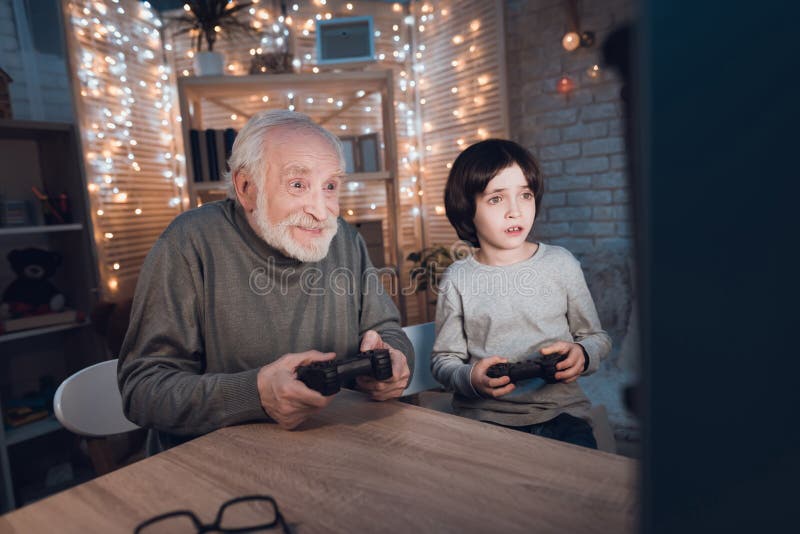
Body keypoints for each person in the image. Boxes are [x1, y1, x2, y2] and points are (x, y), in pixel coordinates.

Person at [118, 110, 413, 455]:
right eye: (297, 185)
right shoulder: (188, 243)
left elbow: (388, 331)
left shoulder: (346, 240)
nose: (322, 212)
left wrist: (394, 360)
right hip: (214, 463)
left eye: (330, 186)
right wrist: (255, 393)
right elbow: (143, 391)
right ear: (246, 188)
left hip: (336, 448)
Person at [431, 139, 611, 449]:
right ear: (467, 208)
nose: (515, 211)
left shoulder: (561, 263)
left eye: (525, 195)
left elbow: (597, 337)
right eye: (496, 198)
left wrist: (582, 354)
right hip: (485, 418)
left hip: (561, 415)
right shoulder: (458, 279)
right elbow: (443, 361)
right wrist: (471, 378)